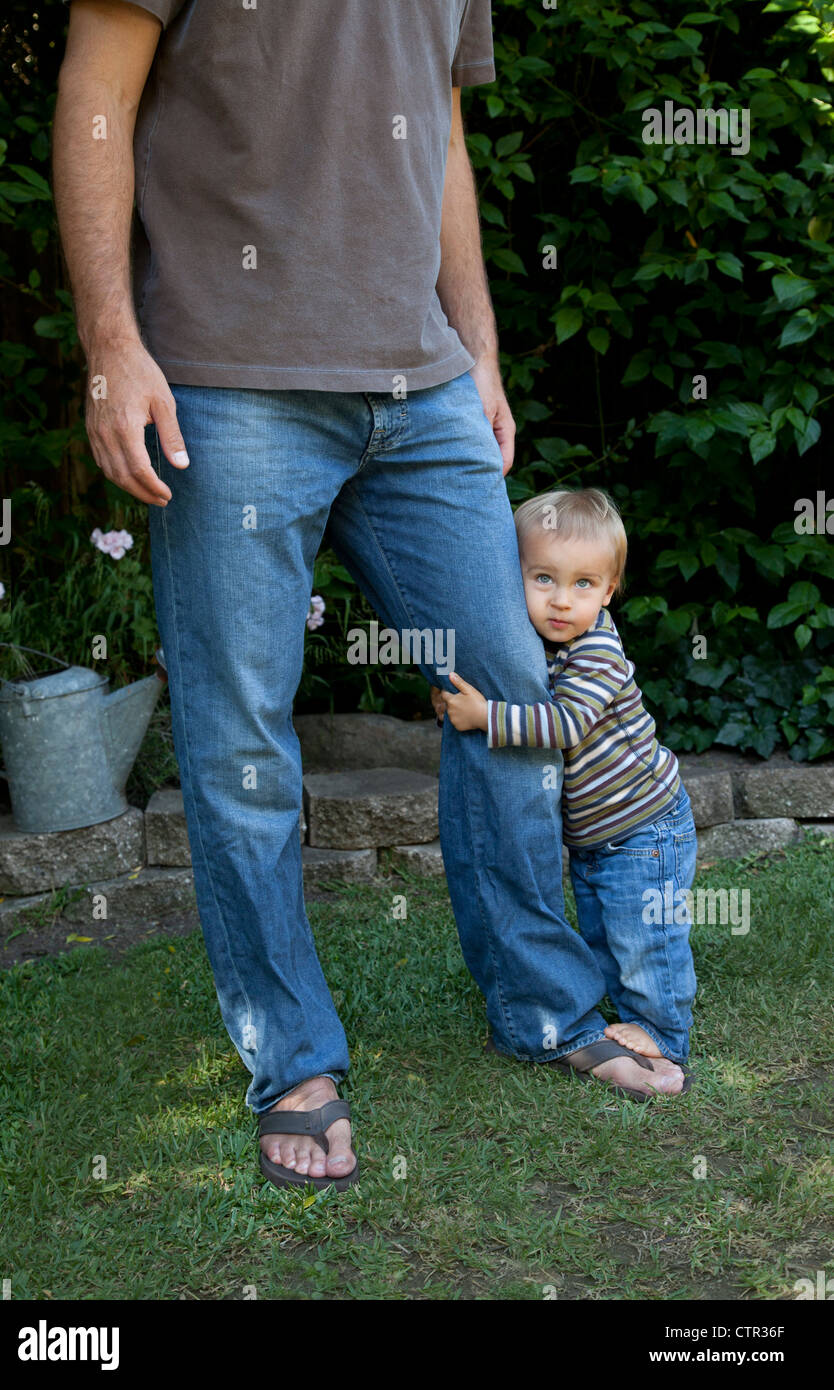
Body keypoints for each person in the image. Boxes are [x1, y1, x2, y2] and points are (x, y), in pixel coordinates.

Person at [53, 1, 687, 1195]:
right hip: (226, 377)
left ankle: (544, 1005)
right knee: (241, 736)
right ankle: (292, 1061)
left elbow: (440, 134)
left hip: (423, 384)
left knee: (504, 680)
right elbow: (99, 89)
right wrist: (111, 343)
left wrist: (480, 349)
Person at [435, 488, 697, 1082]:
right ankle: (620, 1014)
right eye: (543, 578)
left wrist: (486, 718)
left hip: (644, 826)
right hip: (598, 834)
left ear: (608, 592)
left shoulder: (598, 650)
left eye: (583, 584)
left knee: (645, 935)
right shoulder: (548, 647)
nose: (560, 600)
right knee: (604, 930)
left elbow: (565, 723)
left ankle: (664, 1034)